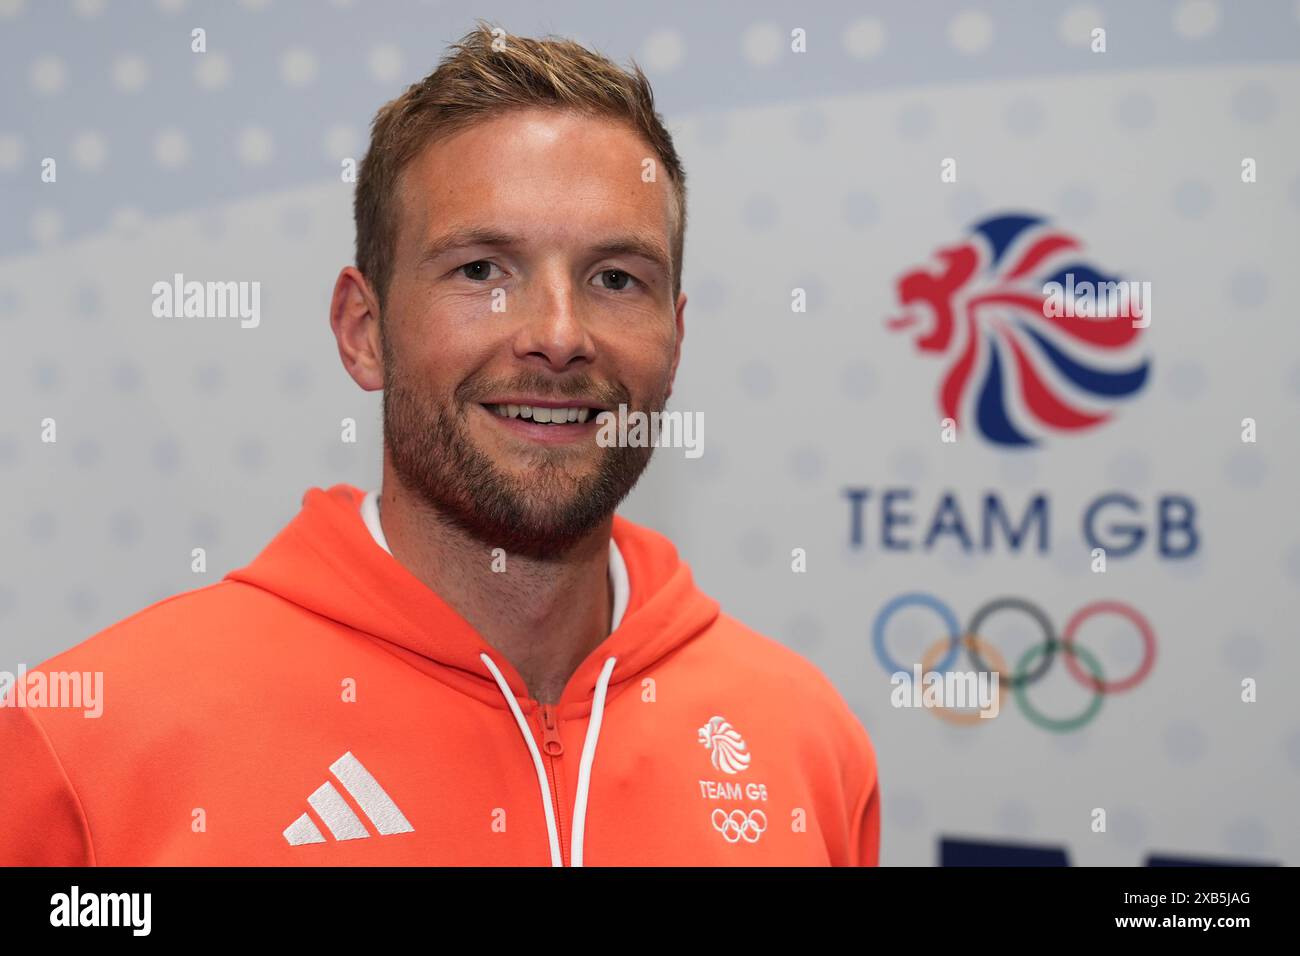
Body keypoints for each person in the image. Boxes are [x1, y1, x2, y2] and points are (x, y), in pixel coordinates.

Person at [0, 22, 879, 866]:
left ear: (676, 339)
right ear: (363, 331)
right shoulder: (87, 747)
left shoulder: (806, 742)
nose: (559, 334)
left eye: (616, 278)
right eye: (481, 271)